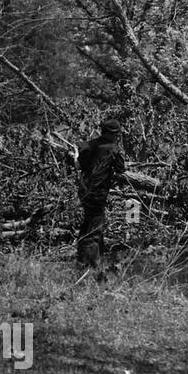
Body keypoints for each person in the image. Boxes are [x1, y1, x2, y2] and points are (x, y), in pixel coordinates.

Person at [76, 118, 128, 278]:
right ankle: (92, 269)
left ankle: (85, 261)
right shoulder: (112, 149)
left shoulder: (87, 145)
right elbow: (121, 169)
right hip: (98, 194)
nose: (117, 137)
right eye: (117, 135)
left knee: (88, 225)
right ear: (113, 134)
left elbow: (78, 164)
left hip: (84, 191)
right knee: (94, 230)